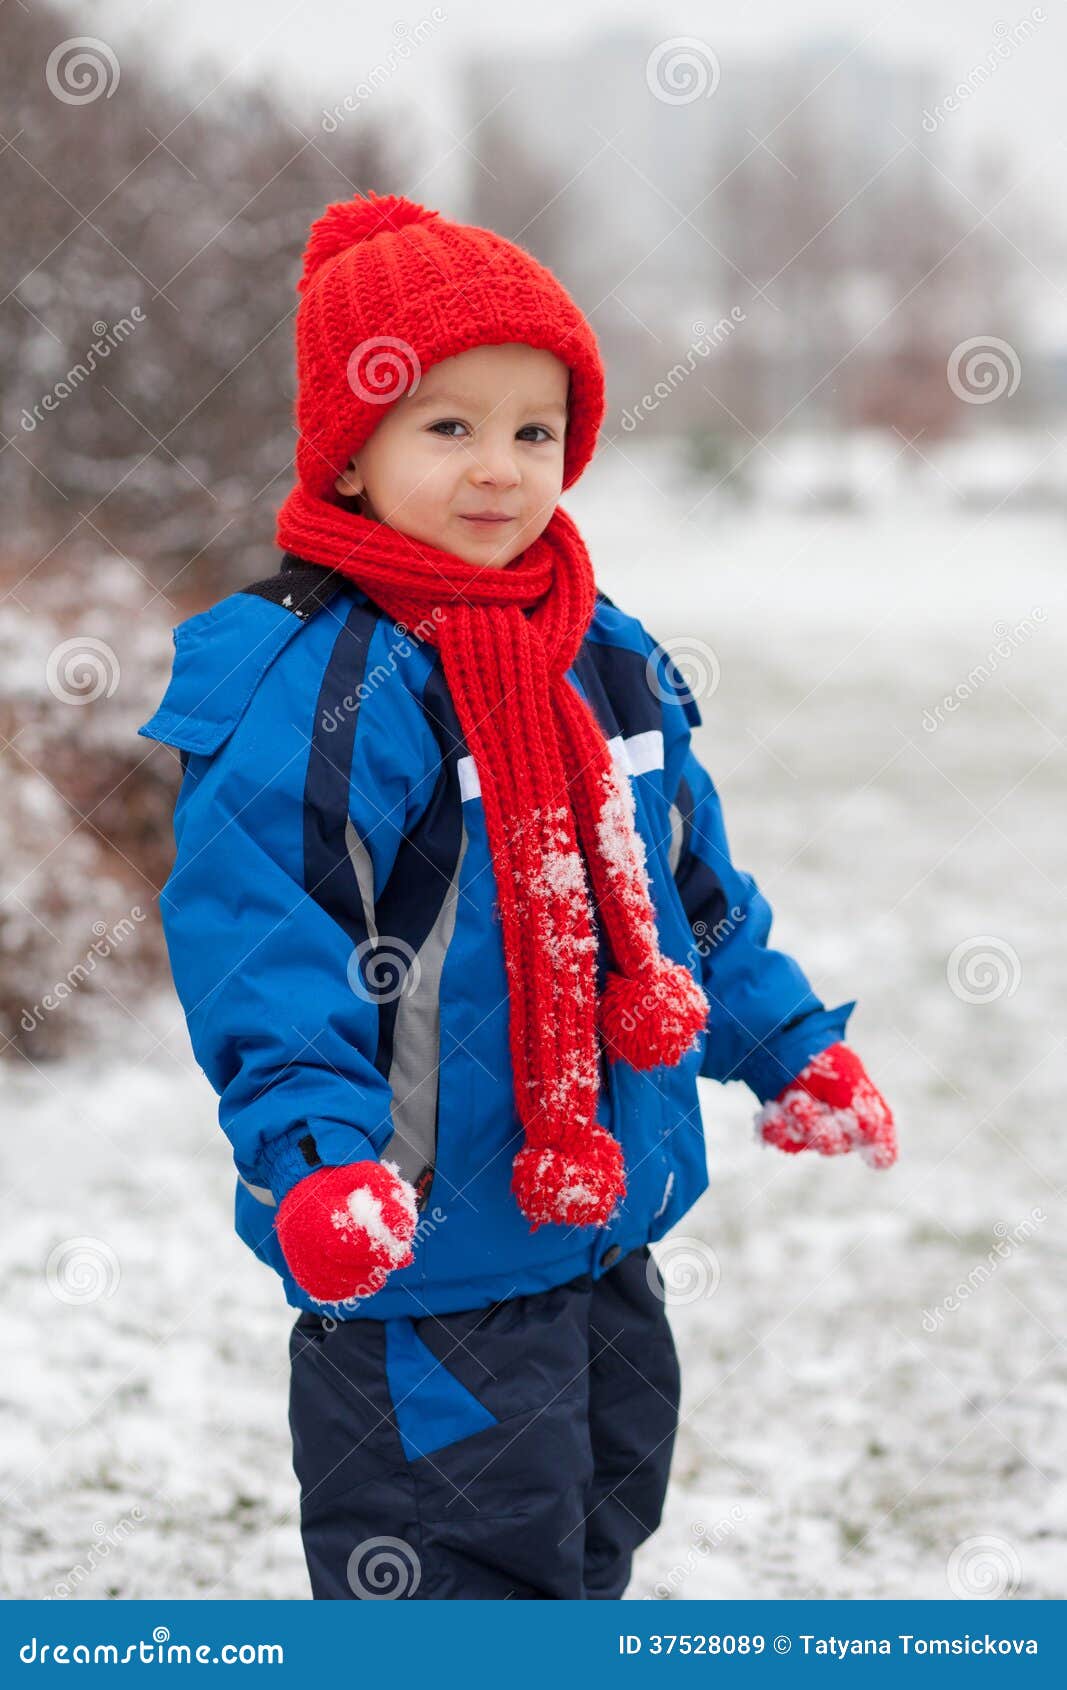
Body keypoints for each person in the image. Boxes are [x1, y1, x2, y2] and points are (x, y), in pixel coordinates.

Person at [138, 191, 897, 1601]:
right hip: (420, 1241)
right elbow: (268, 944)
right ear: (349, 452)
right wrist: (317, 1158)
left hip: (600, 1227)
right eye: (449, 426)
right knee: (454, 1570)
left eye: (533, 430)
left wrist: (789, 1040)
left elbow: (689, 895)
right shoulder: (323, 683)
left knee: (598, 1525)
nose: (499, 468)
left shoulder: (600, 654)